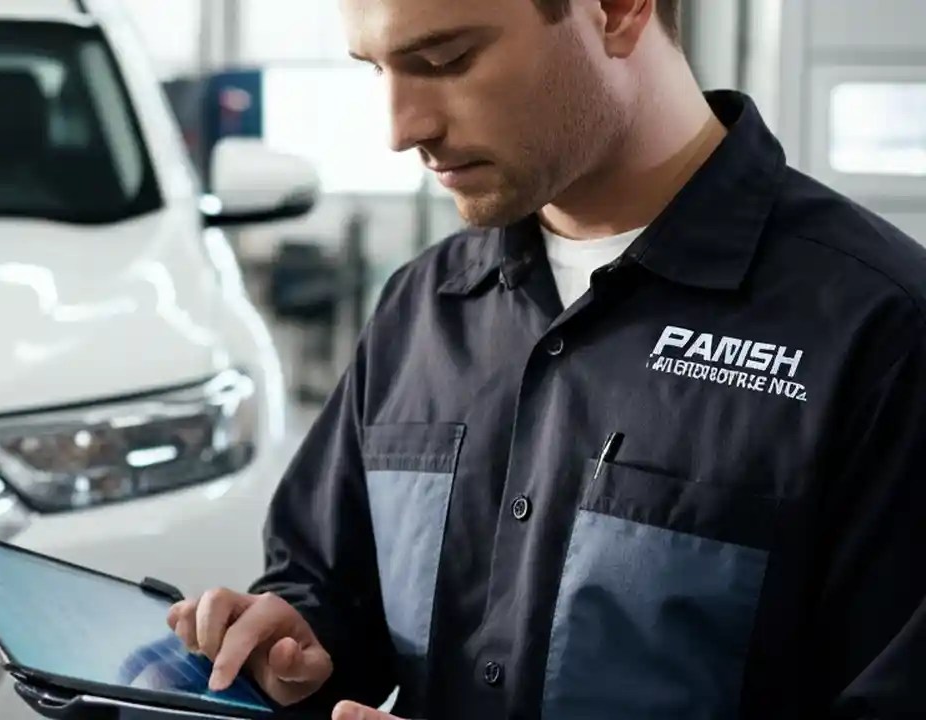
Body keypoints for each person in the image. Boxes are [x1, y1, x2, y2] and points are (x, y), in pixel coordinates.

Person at [168, 0, 926, 718]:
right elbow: (327, 587)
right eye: (377, 69)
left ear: (619, 10)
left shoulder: (884, 335)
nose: (401, 128)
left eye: (447, 57)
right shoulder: (424, 308)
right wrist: (295, 640)